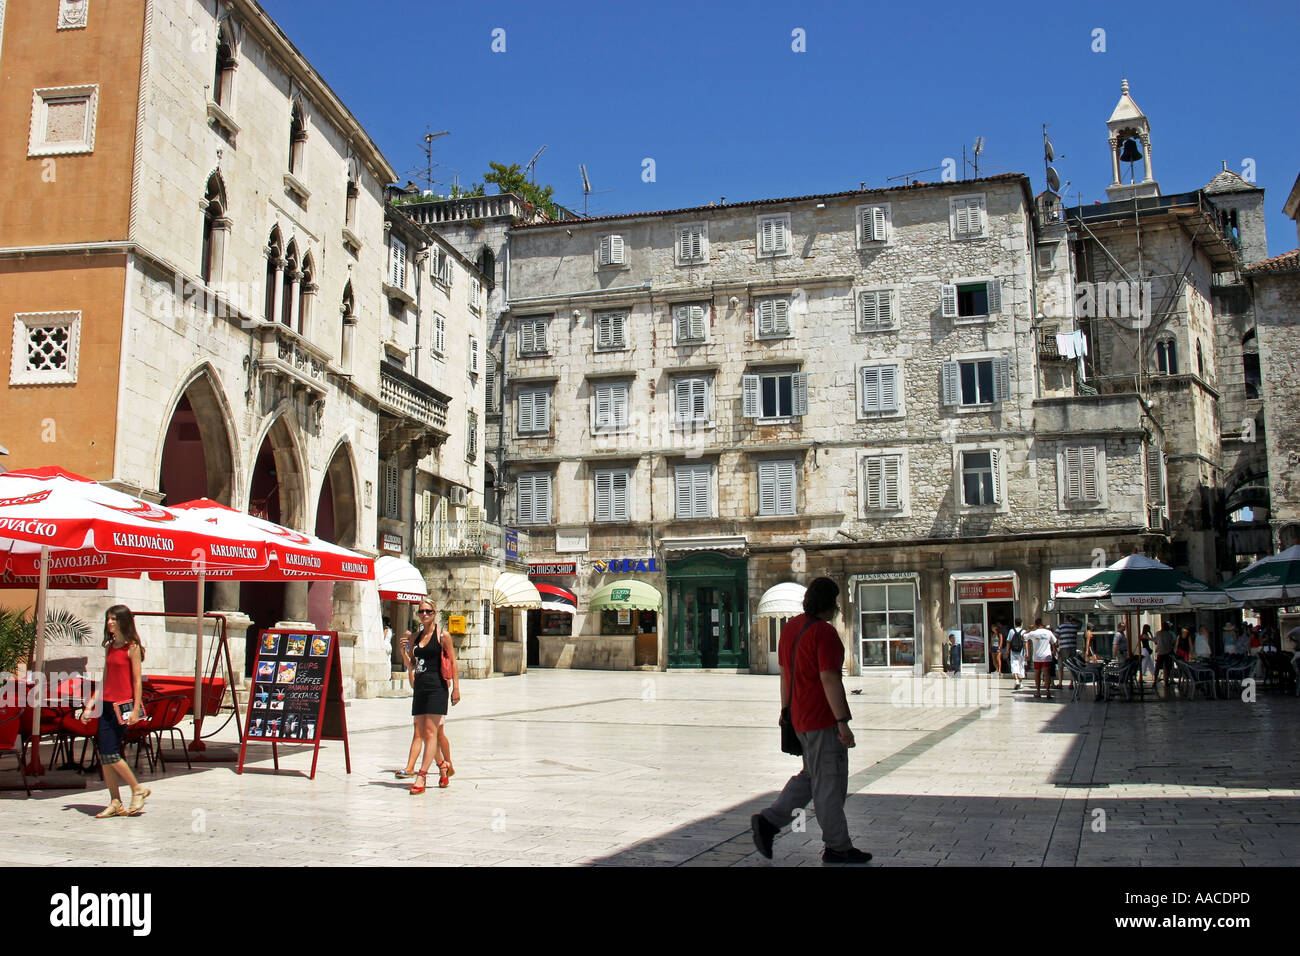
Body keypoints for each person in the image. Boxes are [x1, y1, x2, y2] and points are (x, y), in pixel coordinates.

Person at [751, 577, 870, 865]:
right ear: (831, 603)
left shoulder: (790, 628)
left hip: (799, 718)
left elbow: (785, 674)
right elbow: (830, 679)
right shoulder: (824, 634)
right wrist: (842, 721)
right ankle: (837, 847)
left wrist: (786, 711)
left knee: (811, 776)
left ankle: (768, 822)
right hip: (821, 719)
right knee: (829, 782)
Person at [81, 605, 152, 818]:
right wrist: (90, 705)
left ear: (123, 621)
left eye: (113, 619)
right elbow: (105, 679)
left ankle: (137, 788)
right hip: (105, 706)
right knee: (104, 756)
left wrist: (136, 710)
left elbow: (137, 681)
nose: (109, 622)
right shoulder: (110, 647)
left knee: (111, 753)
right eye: (108, 619)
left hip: (123, 707)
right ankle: (115, 801)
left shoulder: (133, 647)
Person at [395, 601, 459, 792]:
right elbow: (413, 664)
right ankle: (443, 767)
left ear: (434, 613)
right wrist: (402, 652)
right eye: (421, 611)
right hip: (420, 687)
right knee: (422, 733)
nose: (424, 614)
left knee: (431, 733)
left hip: (437, 687)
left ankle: (421, 776)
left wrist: (456, 688)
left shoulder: (442, 635)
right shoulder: (415, 637)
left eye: (428, 611)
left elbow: (453, 663)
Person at [1027, 618, 1058, 699]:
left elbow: (1023, 637)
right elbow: (1055, 642)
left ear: (1036, 624)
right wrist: (1054, 650)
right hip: (1046, 656)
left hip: (1037, 656)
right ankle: (1048, 692)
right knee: (1047, 674)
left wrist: (1029, 629)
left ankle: (1038, 692)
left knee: (1037, 673)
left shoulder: (1033, 633)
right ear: (1042, 624)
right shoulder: (1048, 632)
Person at [1055, 616, 1080, 689]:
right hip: (1072, 648)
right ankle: (1071, 683)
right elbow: (1080, 623)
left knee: (1060, 666)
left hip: (1063, 648)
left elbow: (1055, 637)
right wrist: (1075, 619)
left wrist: (1056, 647)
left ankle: (1060, 683)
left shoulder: (1061, 627)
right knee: (1072, 666)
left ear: (1065, 619)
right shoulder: (1075, 626)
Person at [1154, 620, 1176, 693]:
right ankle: (1166, 681)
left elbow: (1156, 642)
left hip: (1160, 653)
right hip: (1167, 653)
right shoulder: (1169, 634)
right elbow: (1172, 642)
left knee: (1157, 668)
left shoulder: (1157, 633)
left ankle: (1154, 681)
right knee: (1167, 668)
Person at [1006, 620, 1029, 690]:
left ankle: (1016, 680)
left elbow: (1008, 641)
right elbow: (1026, 642)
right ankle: (1020, 682)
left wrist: (1007, 650)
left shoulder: (1011, 631)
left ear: (1015, 624)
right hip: (1021, 651)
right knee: (1021, 666)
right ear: (1021, 624)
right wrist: (1027, 652)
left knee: (1014, 665)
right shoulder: (1023, 631)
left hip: (1013, 651)